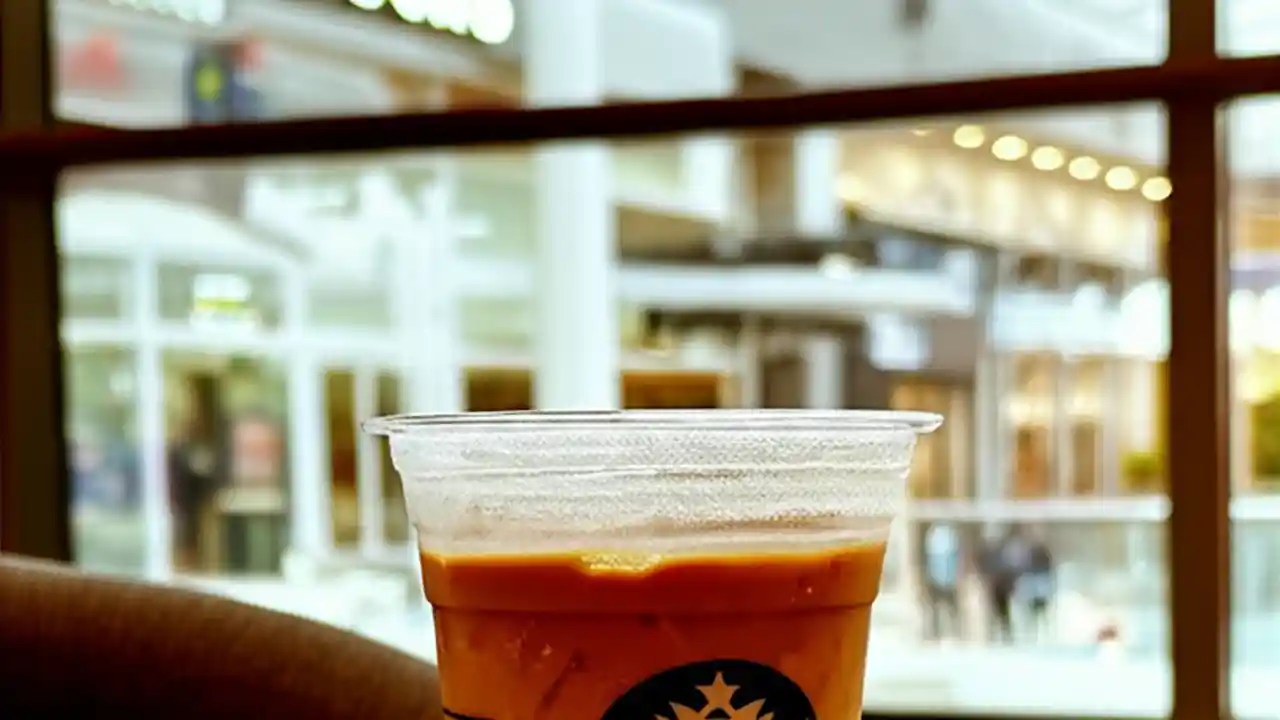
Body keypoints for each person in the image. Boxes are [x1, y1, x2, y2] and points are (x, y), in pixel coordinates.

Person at [982, 525, 1029, 644]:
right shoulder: (991, 554)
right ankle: (994, 634)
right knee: (995, 610)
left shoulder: (1003, 552)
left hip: (1004, 587)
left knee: (1005, 611)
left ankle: (1007, 633)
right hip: (995, 587)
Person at [922, 522, 961, 641]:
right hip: (943, 580)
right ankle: (944, 632)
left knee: (942, 609)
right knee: (943, 609)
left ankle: (941, 632)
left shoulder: (937, 540)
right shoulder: (941, 540)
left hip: (942, 580)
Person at [1021, 530, 1055, 642]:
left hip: (1040, 583)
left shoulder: (1043, 553)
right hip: (1035, 585)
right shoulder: (1030, 553)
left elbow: (1048, 566)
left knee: (1042, 609)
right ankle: (1034, 632)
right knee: (1034, 610)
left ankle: (1045, 632)